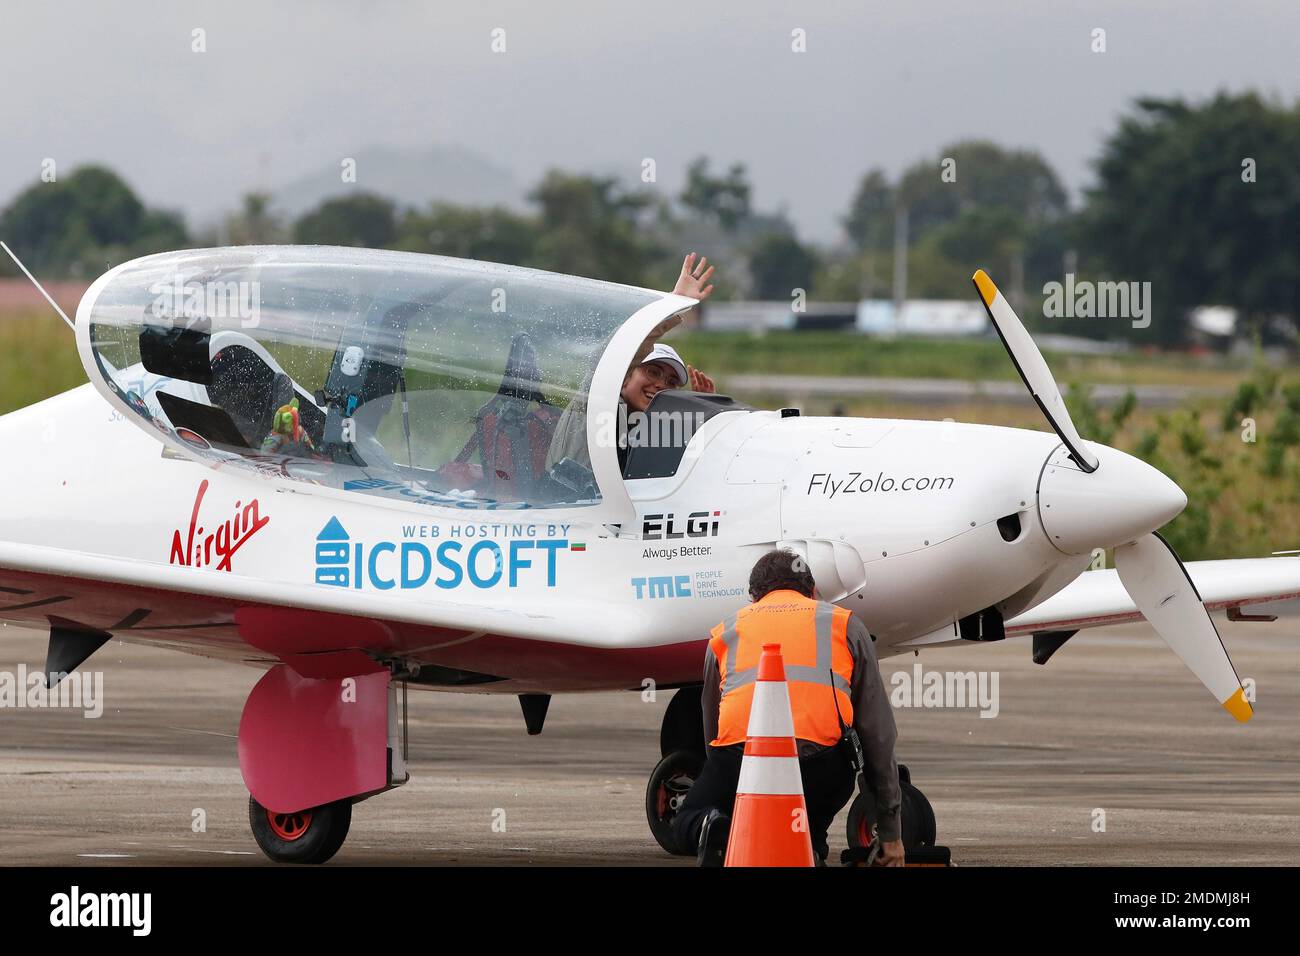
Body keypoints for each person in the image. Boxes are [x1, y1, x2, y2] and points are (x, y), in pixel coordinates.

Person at [672, 548, 905, 866]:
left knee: (687, 819)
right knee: (813, 814)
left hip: (741, 761)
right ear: (812, 592)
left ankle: (710, 828)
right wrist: (890, 832)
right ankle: (808, 846)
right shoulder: (844, 626)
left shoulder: (725, 632)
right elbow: (877, 732)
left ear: (753, 598)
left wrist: (727, 784)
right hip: (820, 766)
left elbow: (713, 729)